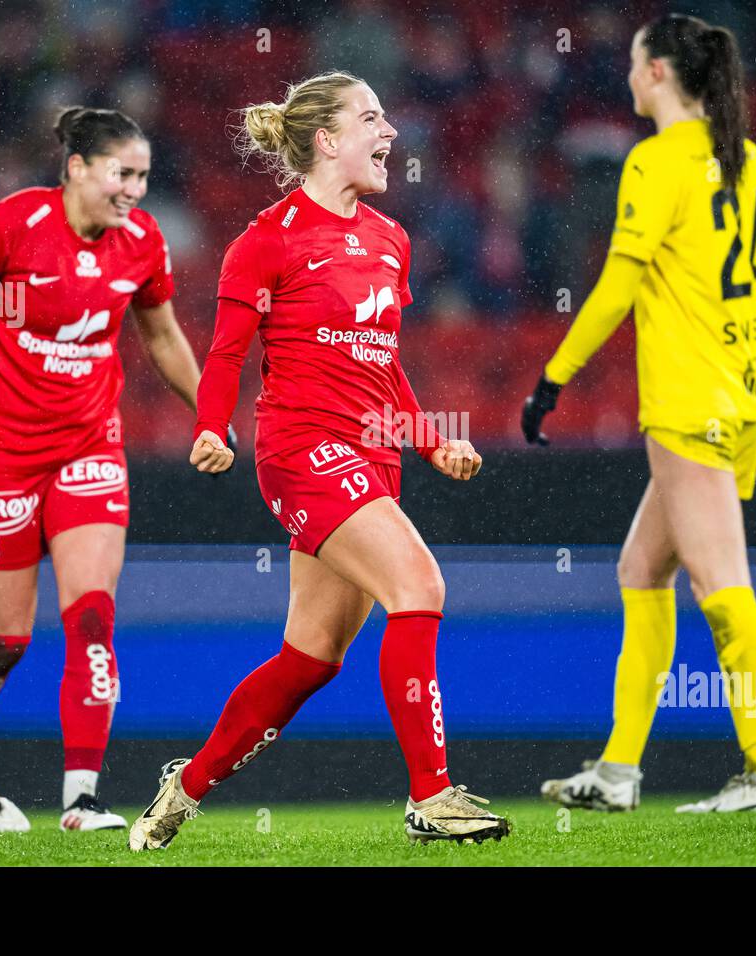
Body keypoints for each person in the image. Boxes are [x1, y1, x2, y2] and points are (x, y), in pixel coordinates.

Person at [128, 72, 509, 850]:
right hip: (302, 450)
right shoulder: (265, 241)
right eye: (372, 118)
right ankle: (431, 797)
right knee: (421, 584)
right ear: (328, 140)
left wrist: (433, 439)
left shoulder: (391, 240)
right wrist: (211, 427)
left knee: (312, 658)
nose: (390, 132)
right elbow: (228, 353)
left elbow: (384, 367)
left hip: (374, 454)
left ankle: (187, 784)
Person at [0, 107, 212, 831]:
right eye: (122, 174)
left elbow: (161, 334)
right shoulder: (13, 226)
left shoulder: (143, 242)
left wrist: (212, 413)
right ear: (76, 169)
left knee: (92, 614)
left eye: (144, 177)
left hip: (88, 449)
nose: (134, 190)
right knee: (4, 645)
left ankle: (82, 797)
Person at [524, 14, 756, 814]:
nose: (630, 74)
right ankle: (617, 770)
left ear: (661, 74)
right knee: (642, 571)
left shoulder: (655, 160)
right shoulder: (754, 161)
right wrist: (754, 397)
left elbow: (617, 284)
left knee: (722, 588)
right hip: (739, 394)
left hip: (687, 402)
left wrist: (553, 376)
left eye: (637, 62)